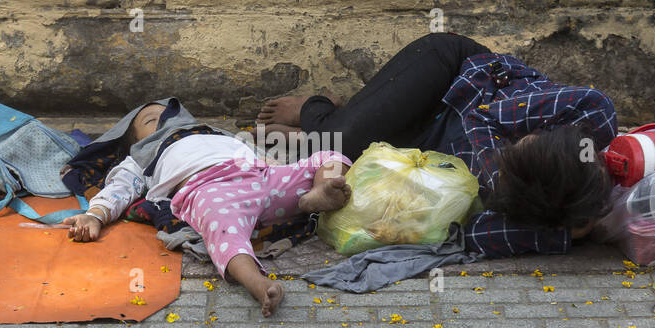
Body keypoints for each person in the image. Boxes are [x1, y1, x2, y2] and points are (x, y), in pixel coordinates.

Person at [256, 32, 617, 257]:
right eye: (529, 139)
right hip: (452, 80)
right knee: (336, 138)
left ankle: (325, 131)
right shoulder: (592, 110)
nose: (522, 137)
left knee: (348, 173)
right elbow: (483, 118)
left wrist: (566, 236)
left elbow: (470, 234)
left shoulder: (534, 205)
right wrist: (496, 175)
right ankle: (315, 110)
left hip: (430, 152)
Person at [67, 102, 351, 316]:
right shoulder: (142, 155)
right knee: (224, 233)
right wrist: (95, 215)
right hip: (210, 189)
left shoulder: (220, 136)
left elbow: (259, 154)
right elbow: (120, 189)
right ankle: (257, 282)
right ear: (135, 141)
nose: (166, 119)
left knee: (331, 156)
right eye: (153, 120)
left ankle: (317, 195)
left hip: (261, 176)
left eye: (171, 114)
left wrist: (281, 168)